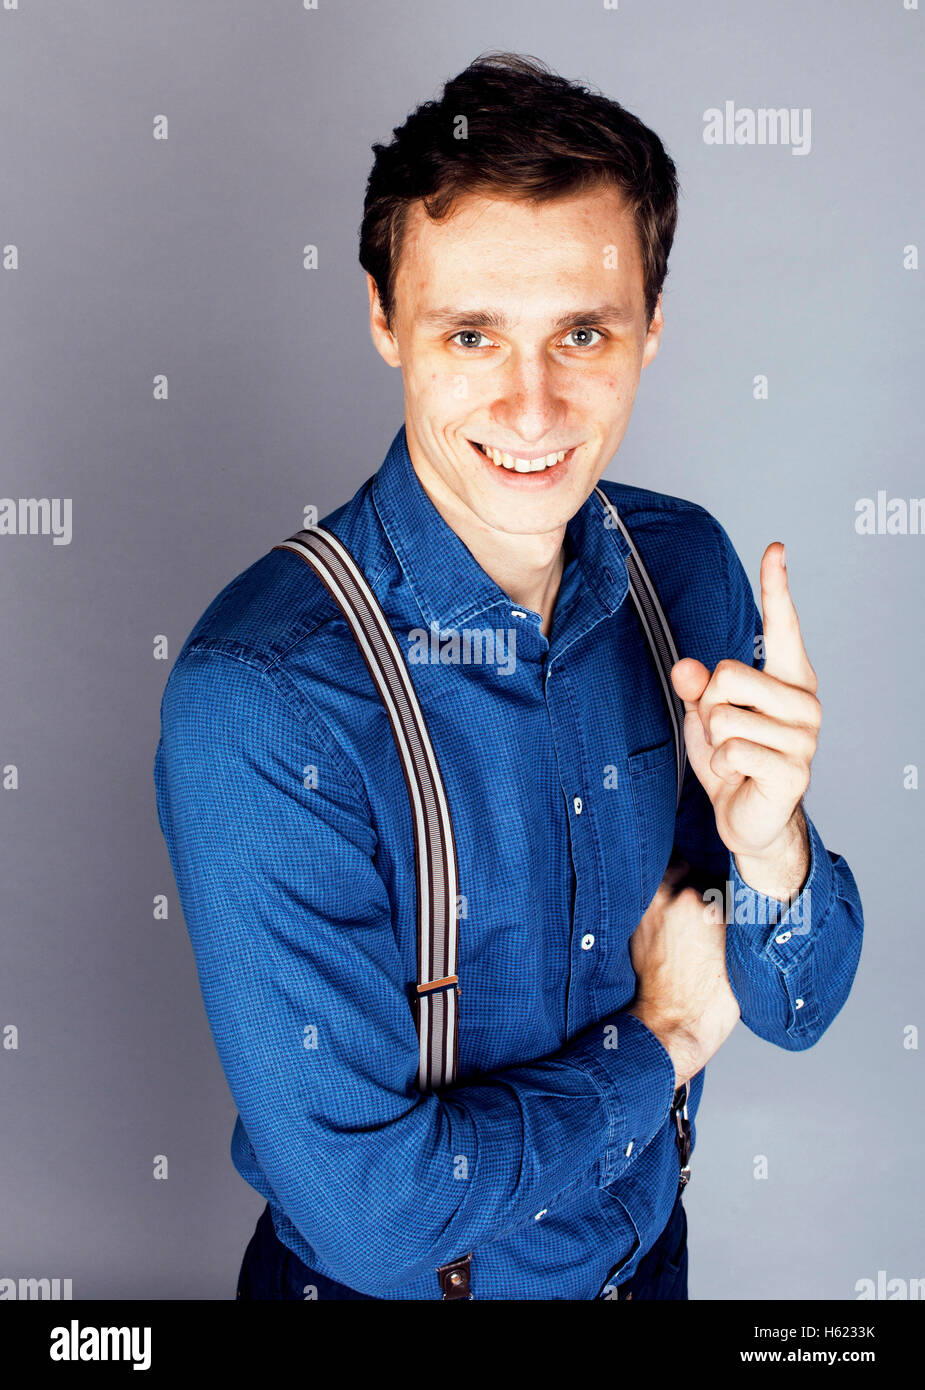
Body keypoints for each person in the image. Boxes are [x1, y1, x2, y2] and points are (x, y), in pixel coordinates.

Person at [153, 52, 863, 1300]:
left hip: (650, 1271)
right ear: (382, 318)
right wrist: (666, 1040)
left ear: (651, 325)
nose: (531, 408)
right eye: (471, 333)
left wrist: (771, 854)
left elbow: (797, 1007)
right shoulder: (262, 695)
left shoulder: (683, 564)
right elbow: (377, 1218)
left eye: (582, 332)